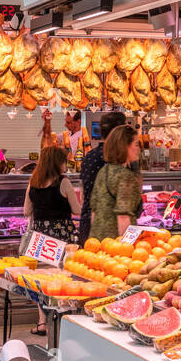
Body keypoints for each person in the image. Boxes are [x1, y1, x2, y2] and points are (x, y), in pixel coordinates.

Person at [22, 145, 81, 335]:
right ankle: (61, 319)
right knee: (61, 279)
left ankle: (42, 322)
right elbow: (77, 210)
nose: (66, 164)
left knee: (42, 279)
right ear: (57, 162)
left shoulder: (33, 182)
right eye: (64, 160)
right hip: (61, 235)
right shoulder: (63, 182)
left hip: (39, 237)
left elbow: (26, 211)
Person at [77, 111, 126, 242]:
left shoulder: (89, 156)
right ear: (119, 132)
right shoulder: (119, 159)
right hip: (111, 229)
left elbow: (82, 195)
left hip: (87, 223)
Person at [88, 124, 142, 242]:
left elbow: (94, 211)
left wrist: (94, 240)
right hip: (115, 244)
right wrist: (125, 247)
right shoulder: (125, 176)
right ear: (125, 146)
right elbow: (123, 217)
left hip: (98, 241)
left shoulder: (103, 171)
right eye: (136, 144)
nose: (138, 149)